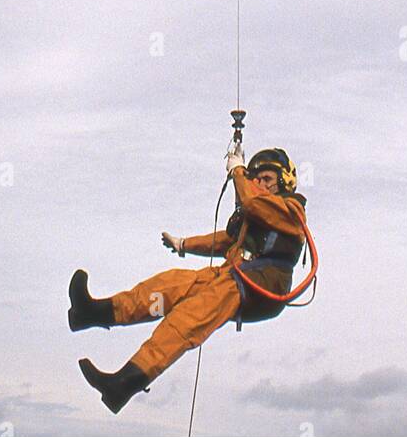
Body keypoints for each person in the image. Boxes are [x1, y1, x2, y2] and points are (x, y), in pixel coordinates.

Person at [68, 145, 308, 414]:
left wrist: (238, 171)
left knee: (186, 318)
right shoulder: (257, 217)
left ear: (285, 181)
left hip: (258, 285)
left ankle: (124, 383)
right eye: (257, 178)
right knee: (169, 286)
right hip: (234, 275)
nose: (259, 183)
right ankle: (93, 313)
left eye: (267, 179)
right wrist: (183, 244)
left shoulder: (290, 211)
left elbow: (252, 203)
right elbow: (224, 240)